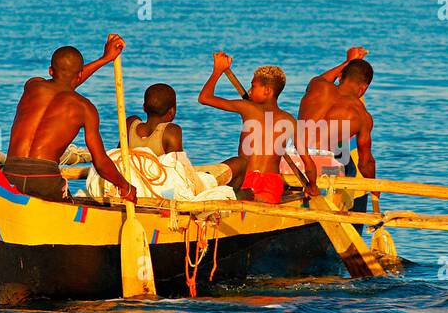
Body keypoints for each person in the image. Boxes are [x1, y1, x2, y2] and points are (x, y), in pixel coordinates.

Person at [4, 39, 136, 203]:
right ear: (80, 74)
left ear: (50, 71)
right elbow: (100, 162)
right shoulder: (85, 108)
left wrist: (104, 59)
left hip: (10, 175)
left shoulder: (32, 86)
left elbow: (64, 83)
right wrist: (125, 186)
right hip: (44, 178)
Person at [197, 52, 296, 204]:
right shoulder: (289, 119)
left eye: (253, 86)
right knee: (250, 197)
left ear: (267, 91)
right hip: (273, 185)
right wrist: (312, 185)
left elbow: (204, 98)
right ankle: (254, 199)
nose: (249, 91)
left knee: (230, 189)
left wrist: (217, 71)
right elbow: (307, 160)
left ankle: (245, 198)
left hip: (247, 179)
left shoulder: (247, 107)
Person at [295, 46, 376, 198]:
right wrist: (375, 187)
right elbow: (365, 164)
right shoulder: (363, 116)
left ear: (340, 76)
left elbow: (326, 77)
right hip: (324, 169)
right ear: (364, 88)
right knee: (349, 164)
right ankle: (341, 204)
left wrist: (349, 61)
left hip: (291, 159)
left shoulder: (316, 85)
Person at [125, 83, 184, 157]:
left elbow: (118, 154)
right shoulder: (171, 131)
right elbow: (177, 165)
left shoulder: (130, 124)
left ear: (144, 108)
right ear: (171, 111)